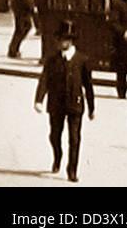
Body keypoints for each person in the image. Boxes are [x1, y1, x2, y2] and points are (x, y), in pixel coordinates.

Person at [34, 20, 94, 182]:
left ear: (71, 41)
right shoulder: (52, 60)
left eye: (65, 39)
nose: (62, 42)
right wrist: (38, 100)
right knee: (54, 135)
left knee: (74, 138)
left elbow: (88, 85)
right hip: (56, 103)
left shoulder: (82, 60)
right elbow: (44, 80)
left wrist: (91, 108)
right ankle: (58, 156)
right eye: (60, 39)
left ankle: (72, 170)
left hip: (75, 104)